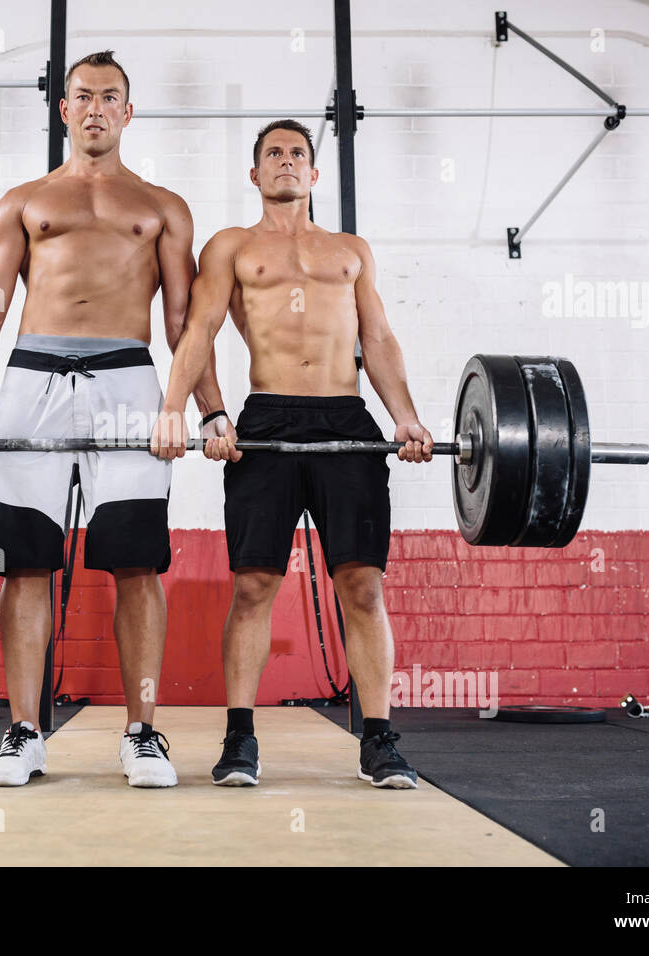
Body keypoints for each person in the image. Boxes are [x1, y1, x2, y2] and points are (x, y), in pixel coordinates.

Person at [0, 51, 230, 788]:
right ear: (63, 111)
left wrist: (211, 410)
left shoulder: (163, 208)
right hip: (31, 379)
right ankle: (24, 732)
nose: (96, 108)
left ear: (130, 113)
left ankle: (143, 733)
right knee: (25, 559)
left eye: (111, 97)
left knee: (136, 560)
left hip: (128, 382)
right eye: (83, 96)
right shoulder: (24, 203)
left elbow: (188, 323)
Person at [150, 119, 432, 789]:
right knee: (253, 587)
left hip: (345, 417)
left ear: (312, 174)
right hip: (269, 417)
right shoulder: (231, 248)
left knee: (362, 586)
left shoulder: (350, 251)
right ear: (255, 174)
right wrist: (180, 409)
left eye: (296, 154)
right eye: (272, 153)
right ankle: (240, 738)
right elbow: (199, 332)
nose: (285, 162)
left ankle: (379, 740)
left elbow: (381, 339)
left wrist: (406, 418)